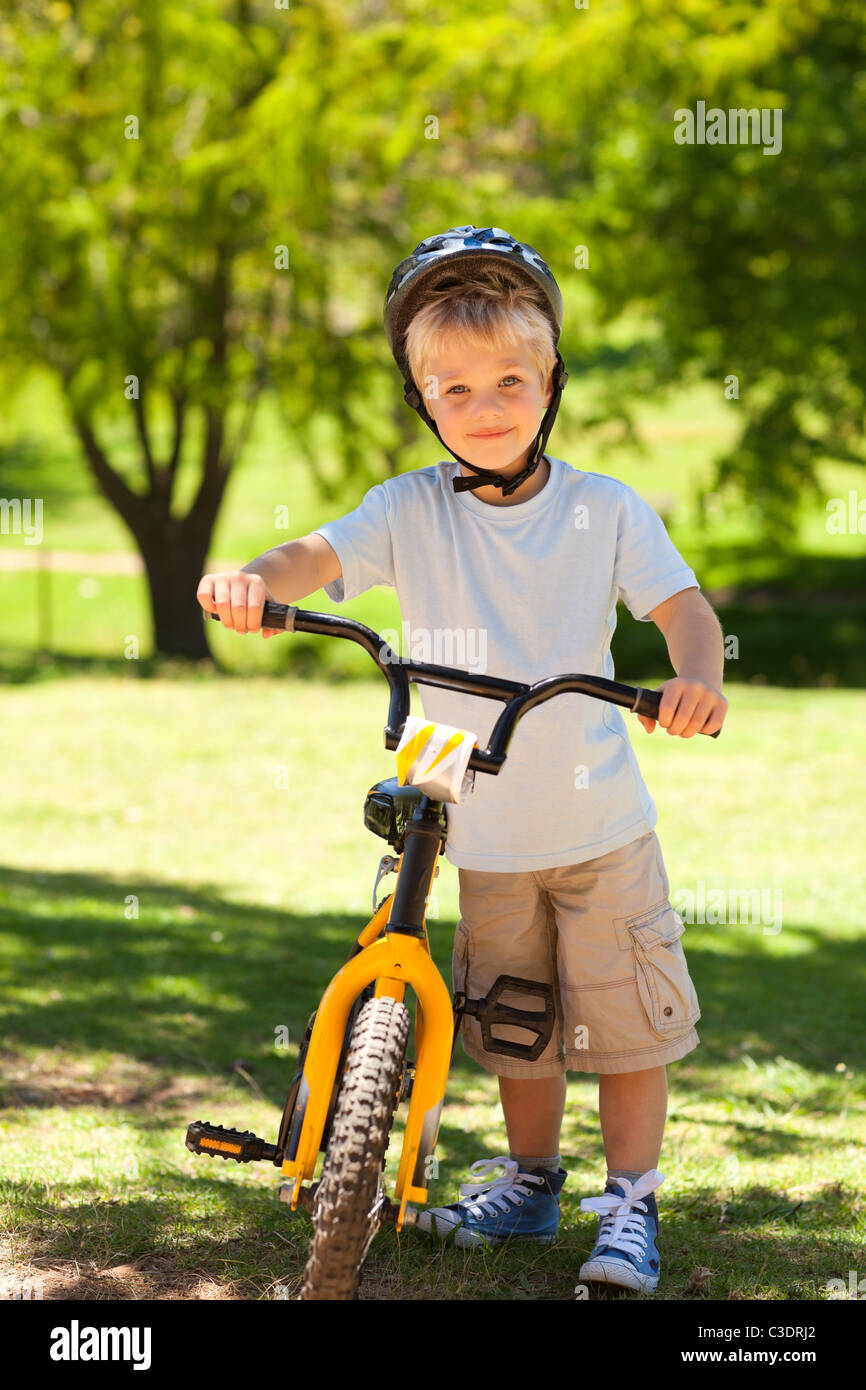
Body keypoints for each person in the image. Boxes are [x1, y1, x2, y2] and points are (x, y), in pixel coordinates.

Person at [197, 225, 728, 1295]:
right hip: (478, 834)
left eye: (508, 382)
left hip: (598, 831)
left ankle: (628, 1201)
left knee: (624, 1028)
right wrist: (255, 576)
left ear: (549, 383)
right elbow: (319, 554)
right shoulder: (407, 511)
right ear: (420, 399)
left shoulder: (601, 508)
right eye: (453, 389)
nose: (484, 407)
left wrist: (694, 677)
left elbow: (683, 608)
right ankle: (531, 1181)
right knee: (511, 1021)